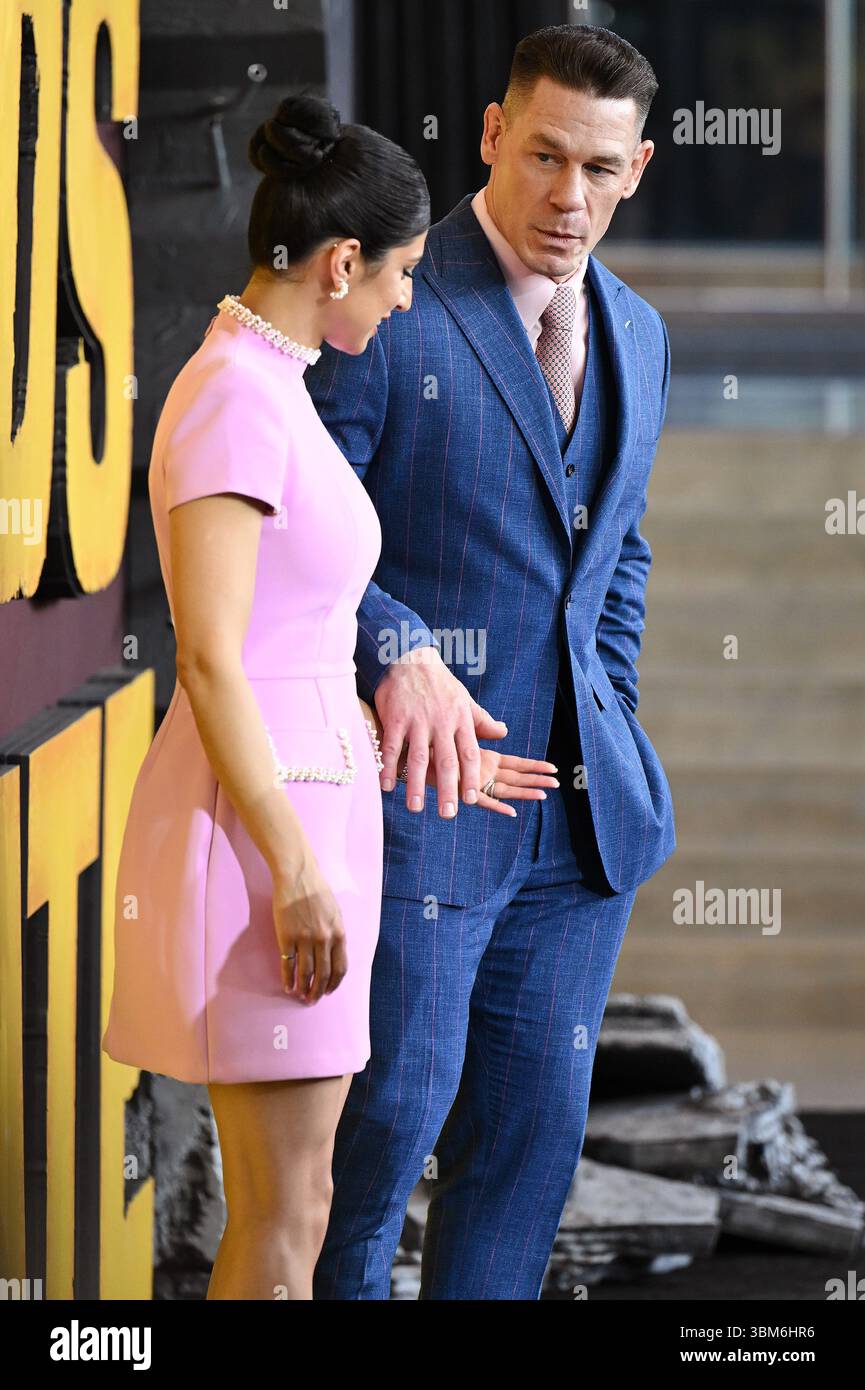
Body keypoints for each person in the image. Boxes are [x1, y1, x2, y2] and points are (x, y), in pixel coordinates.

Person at [101, 92, 556, 1301]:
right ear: (343, 261)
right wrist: (296, 864)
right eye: (401, 273)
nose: (409, 299)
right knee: (288, 1217)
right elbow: (209, 662)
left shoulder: (272, 380)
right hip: (266, 844)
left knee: (297, 1207)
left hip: (302, 819)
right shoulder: (237, 399)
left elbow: (294, 636)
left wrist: (404, 734)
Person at [307, 25, 676, 1300]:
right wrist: (395, 646)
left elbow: (618, 554)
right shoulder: (390, 300)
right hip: (418, 815)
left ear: (638, 169)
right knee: (374, 1146)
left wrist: (609, 710)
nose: (568, 198)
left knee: (525, 1166)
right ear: (485, 135)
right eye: (543, 156)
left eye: (601, 168)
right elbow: (298, 532)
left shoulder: (638, 332)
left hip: (578, 838)